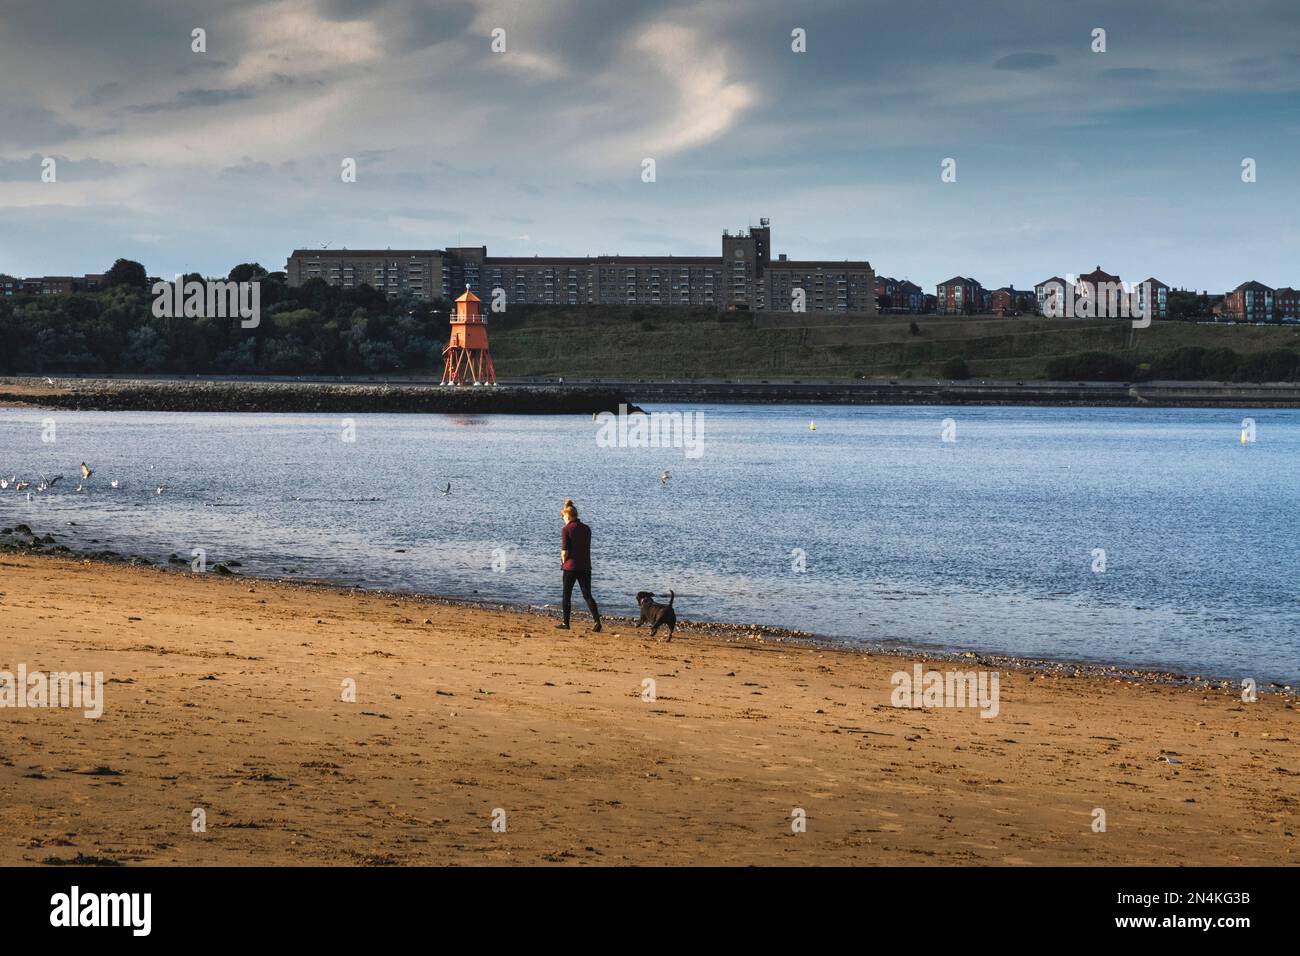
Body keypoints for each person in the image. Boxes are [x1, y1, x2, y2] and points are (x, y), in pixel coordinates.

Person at [558, 498, 601, 632]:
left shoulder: (566, 529)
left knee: (566, 595)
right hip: (585, 566)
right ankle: (597, 622)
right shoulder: (587, 529)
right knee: (587, 595)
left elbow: (565, 552)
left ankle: (566, 623)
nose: (563, 519)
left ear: (568, 516)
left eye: (563, 517)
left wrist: (563, 562)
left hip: (570, 567)